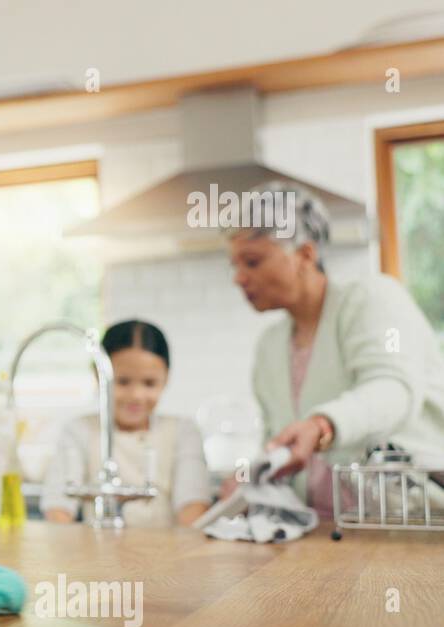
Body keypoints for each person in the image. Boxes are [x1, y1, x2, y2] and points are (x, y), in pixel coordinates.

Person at [227, 182, 444, 519]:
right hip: (322, 533)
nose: (238, 278)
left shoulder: (376, 299)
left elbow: (394, 388)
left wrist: (322, 425)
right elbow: (278, 442)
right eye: (235, 264)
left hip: (409, 520)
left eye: (252, 262)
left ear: (305, 254)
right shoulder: (270, 344)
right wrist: (252, 481)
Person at [41, 320, 211, 526]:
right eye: (122, 381)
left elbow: (192, 504)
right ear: (98, 375)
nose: (136, 395)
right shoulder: (79, 430)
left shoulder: (183, 431)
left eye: (149, 383)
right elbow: (58, 505)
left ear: (166, 378)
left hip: (168, 554)